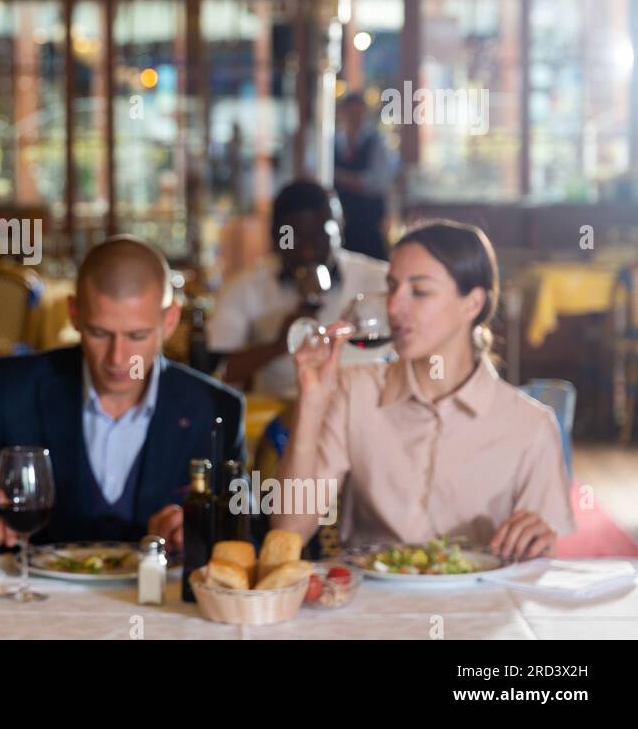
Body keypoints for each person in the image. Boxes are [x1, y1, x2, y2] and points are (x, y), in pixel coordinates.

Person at [0, 236, 246, 553]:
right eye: (99, 333)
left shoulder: (217, 409)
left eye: (137, 335)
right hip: (29, 599)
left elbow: (244, 530)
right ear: (75, 313)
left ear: (170, 320)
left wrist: (203, 526)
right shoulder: (14, 387)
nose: (118, 358)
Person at [273, 220, 574, 559]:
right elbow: (288, 530)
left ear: (472, 304)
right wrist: (312, 403)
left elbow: (541, 560)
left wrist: (537, 539)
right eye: (392, 287)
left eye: (419, 291)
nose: (394, 307)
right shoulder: (355, 390)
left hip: (478, 606)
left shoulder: (530, 426)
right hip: (373, 605)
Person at [206, 179, 388, 397]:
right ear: (276, 237)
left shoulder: (380, 280)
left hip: (364, 411)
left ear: (340, 230)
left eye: (321, 237)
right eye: (295, 239)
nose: (308, 252)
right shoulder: (244, 287)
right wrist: (277, 345)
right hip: (276, 418)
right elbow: (217, 372)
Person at [333, 92, 398, 261]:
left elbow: (377, 183)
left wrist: (340, 177)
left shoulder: (376, 142)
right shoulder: (333, 142)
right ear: (343, 114)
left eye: (359, 114)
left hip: (368, 224)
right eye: (351, 113)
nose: (355, 118)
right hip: (341, 224)